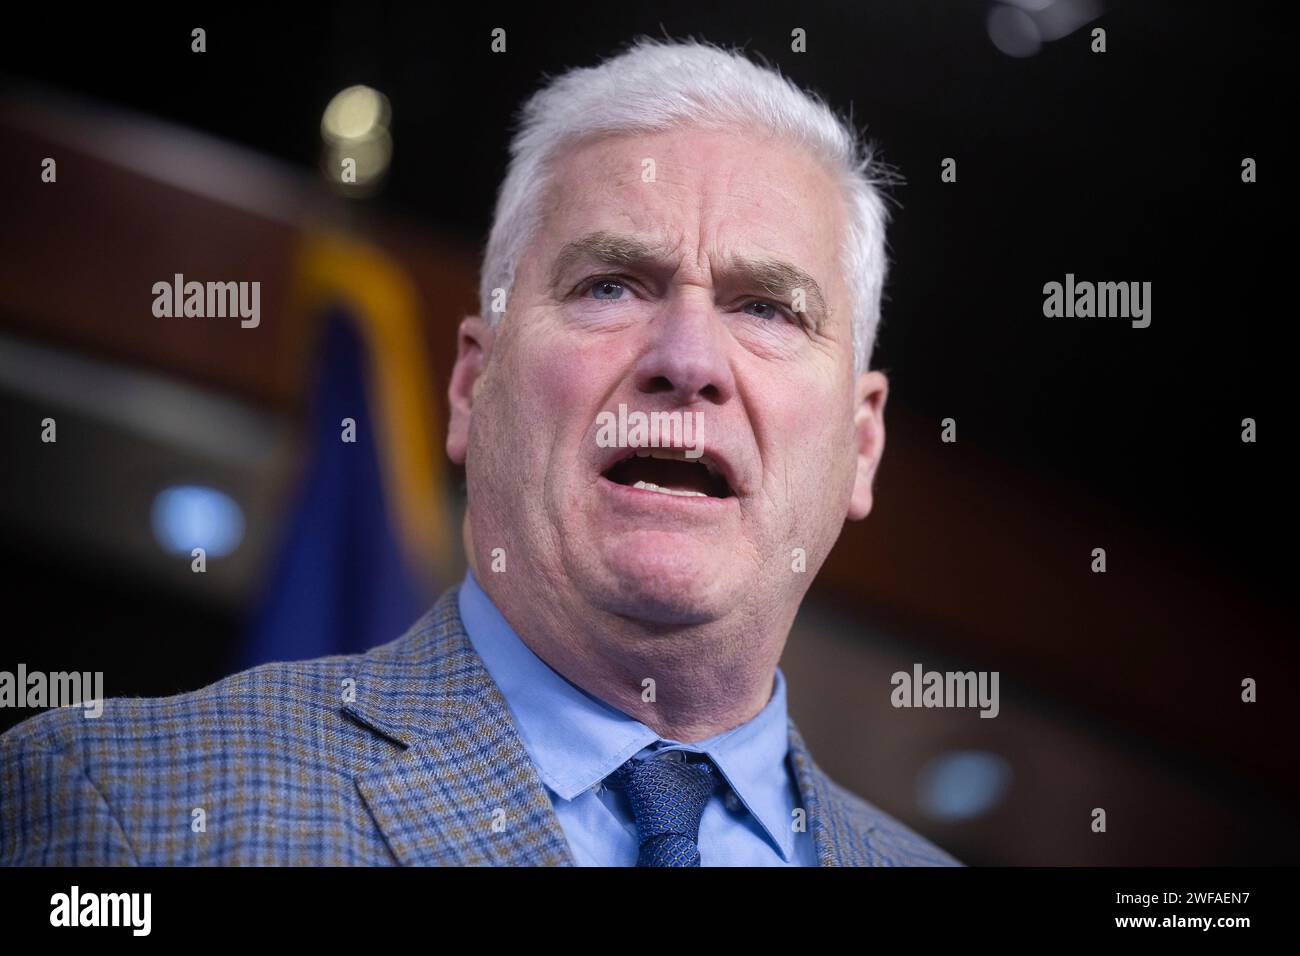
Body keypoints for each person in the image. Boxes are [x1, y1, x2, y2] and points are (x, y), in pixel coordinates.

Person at [0, 38, 960, 867]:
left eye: (766, 308)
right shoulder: (130, 809)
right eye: (611, 286)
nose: (689, 360)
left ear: (861, 446)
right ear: (472, 386)